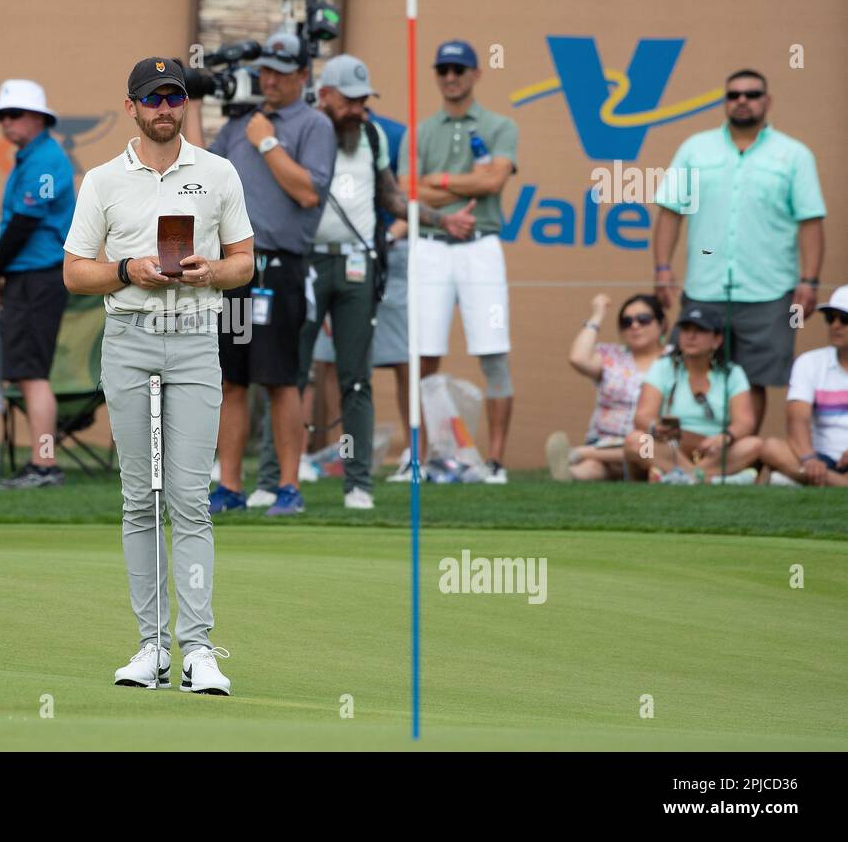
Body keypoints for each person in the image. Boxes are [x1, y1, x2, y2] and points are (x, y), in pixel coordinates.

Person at [63, 57, 253, 695]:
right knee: (139, 499)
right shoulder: (103, 180)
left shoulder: (219, 171)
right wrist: (128, 271)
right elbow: (74, 272)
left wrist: (211, 274)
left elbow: (244, 262)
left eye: (175, 97)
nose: (165, 108)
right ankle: (150, 647)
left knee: (190, 501)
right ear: (133, 107)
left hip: (195, 340)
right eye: (154, 99)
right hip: (130, 339)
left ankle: (197, 648)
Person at [249, 54, 406, 509]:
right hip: (305, 261)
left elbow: (390, 194)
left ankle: (357, 482)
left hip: (358, 264)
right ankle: (272, 478)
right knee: (286, 375)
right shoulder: (302, 131)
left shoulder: (372, 136)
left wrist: (433, 217)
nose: (360, 109)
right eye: (352, 100)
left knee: (357, 377)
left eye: (364, 100)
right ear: (327, 95)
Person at [193, 30, 337, 516]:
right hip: (235, 272)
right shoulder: (240, 124)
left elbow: (307, 192)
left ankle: (288, 487)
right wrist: (193, 101)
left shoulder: (314, 125)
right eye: (265, 71)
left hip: (280, 268)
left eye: (280, 71)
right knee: (232, 380)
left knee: (280, 380)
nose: (269, 79)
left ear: (302, 74)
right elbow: (201, 169)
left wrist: (268, 140)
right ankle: (229, 486)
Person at [654, 68, 825, 434]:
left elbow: (810, 221)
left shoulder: (794, 155)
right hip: (705, 285)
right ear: (725, 102)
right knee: (685, 367)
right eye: (734, 95)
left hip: (769, 289)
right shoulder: (694, 149)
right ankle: (683, 462)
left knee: (753, 377)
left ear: (768, 101)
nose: (742, 101)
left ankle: (738, 461)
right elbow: (670, 212)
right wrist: (662, 270)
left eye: (751, 94)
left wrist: (809, 281)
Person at [398, 40, 519, 484]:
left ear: (475, 74)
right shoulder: (420, 130)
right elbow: (407, 190)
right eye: (444, 69)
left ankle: (496, 462)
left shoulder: (500, 124)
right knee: (423, 355)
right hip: (429, 244)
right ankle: (425, 458)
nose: (451, 76)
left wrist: (440, 180)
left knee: (493, 353)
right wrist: (469, 186)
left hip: (481, 246)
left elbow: (495, 179)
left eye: (459, 69)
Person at [0, 79, 76, 490]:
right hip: (31, 275)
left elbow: (24, 222)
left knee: (33, 373)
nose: (6, 122)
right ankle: (42, 461)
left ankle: (44, 464)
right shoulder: (33, 157)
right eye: (2, 115)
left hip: (37, 276)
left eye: (14, 114)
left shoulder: (44, 159)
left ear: (39, 118)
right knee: (27, 372)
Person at [623, 306, 762, 484]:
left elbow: (745, 422)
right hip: (673, 448)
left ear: (717, 339)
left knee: (755, 446)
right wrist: (656, 427)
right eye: (686, 329)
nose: (691, 336)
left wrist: (726, 437)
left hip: (715, 450)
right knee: (636, 442)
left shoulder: (732, 373)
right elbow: (642, 416)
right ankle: (704, 478)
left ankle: (678, 477)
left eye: (700, 330)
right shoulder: (663, 367)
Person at [545, 293, 666, 482]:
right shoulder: (611, 355)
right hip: (605, 441)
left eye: (643, 319)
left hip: (650, 444)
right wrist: (597, 315)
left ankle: (579, 454)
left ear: (661, 324)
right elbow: (577, 358)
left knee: (640, 446)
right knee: (594, 467)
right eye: (626, 322)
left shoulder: (674, 360)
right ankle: (571, 474)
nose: (635, 326)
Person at [760, 285, 848, 487]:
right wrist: (809, 458)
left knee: (779, 476)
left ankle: (815, 481)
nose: (835, 325)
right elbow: (797, 420)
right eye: (830, 318)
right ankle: (838, 482)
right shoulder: (809, 362)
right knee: (770, 447)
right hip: (820, 459)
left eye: (844, 320)